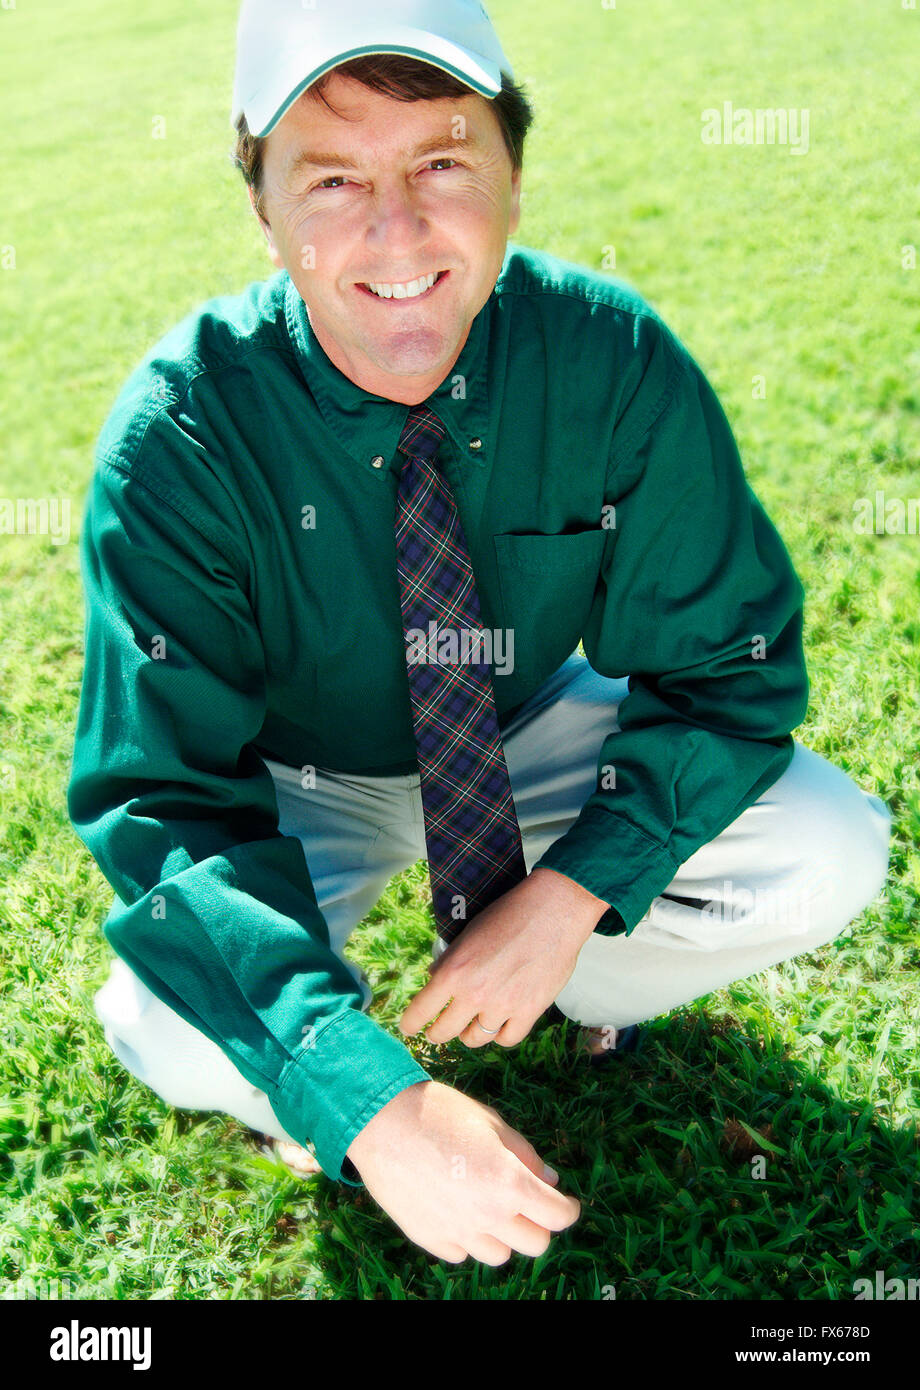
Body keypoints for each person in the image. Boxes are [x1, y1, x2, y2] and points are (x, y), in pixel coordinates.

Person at [67, 0, 892, 1269]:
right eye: (332, 177)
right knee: (164, 1021)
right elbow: (167, 810)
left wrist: (573, 894)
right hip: (299, 779)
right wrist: (362, 1098)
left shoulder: (611, 358)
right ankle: (334, 1090)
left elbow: (726, 673)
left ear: (514, 174)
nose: (396, 232)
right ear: (262, 203)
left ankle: (566, 987)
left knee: (830, 847)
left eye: (442, 162)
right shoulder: (179, 433)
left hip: (527, 728)